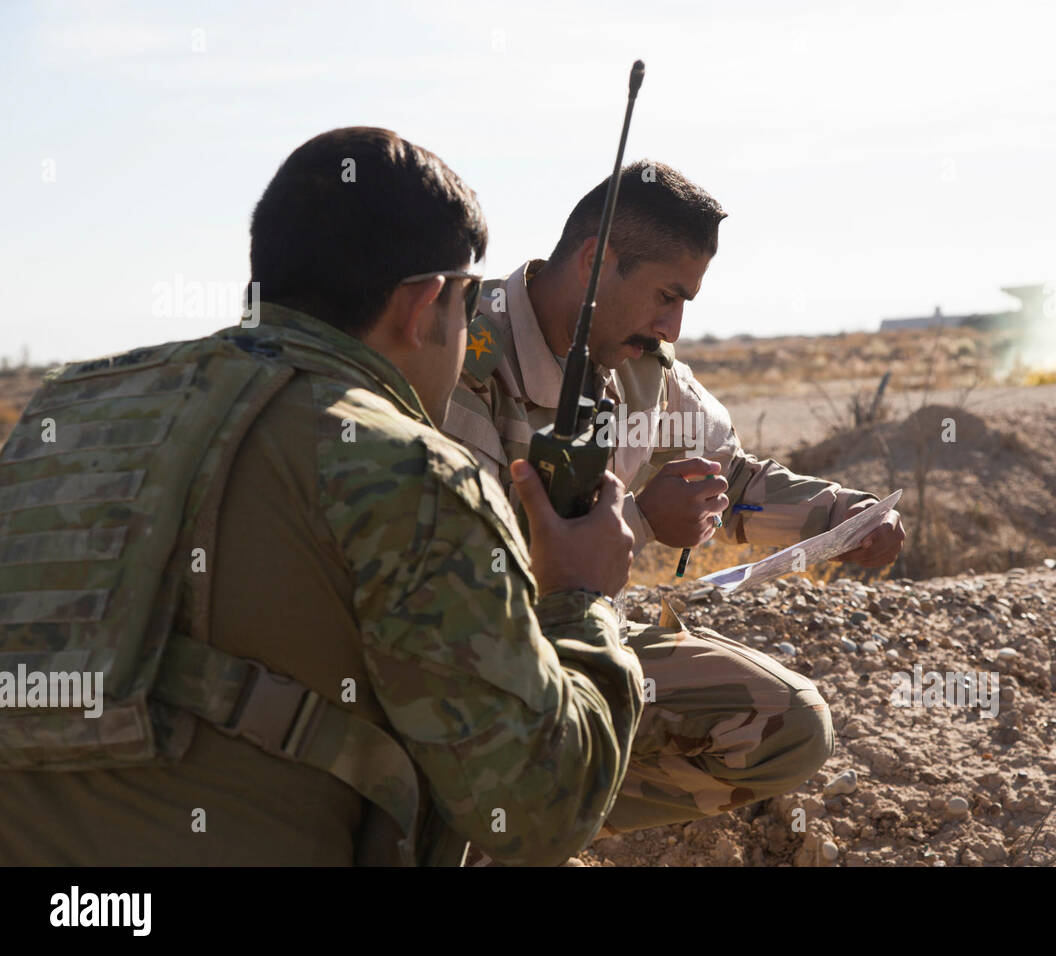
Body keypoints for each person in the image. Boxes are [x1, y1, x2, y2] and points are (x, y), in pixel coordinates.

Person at [0, 127, 643, 867]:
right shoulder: (413, 472)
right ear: (424, 302)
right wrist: (579, 598)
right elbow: (536, 814)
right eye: (466, 305)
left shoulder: (69, 413)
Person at [445, 160, 905, 840]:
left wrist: (842, 517)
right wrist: (638, 521)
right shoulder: (458, 354)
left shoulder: (639, 367)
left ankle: (531, 828)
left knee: (789, 725)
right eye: (666, 295)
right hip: (461, 657)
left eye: (686, 300)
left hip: (575, 642)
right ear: (596, 260)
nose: (674, 327)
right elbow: (464, 577)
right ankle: (478, 827)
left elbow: (732, 479)